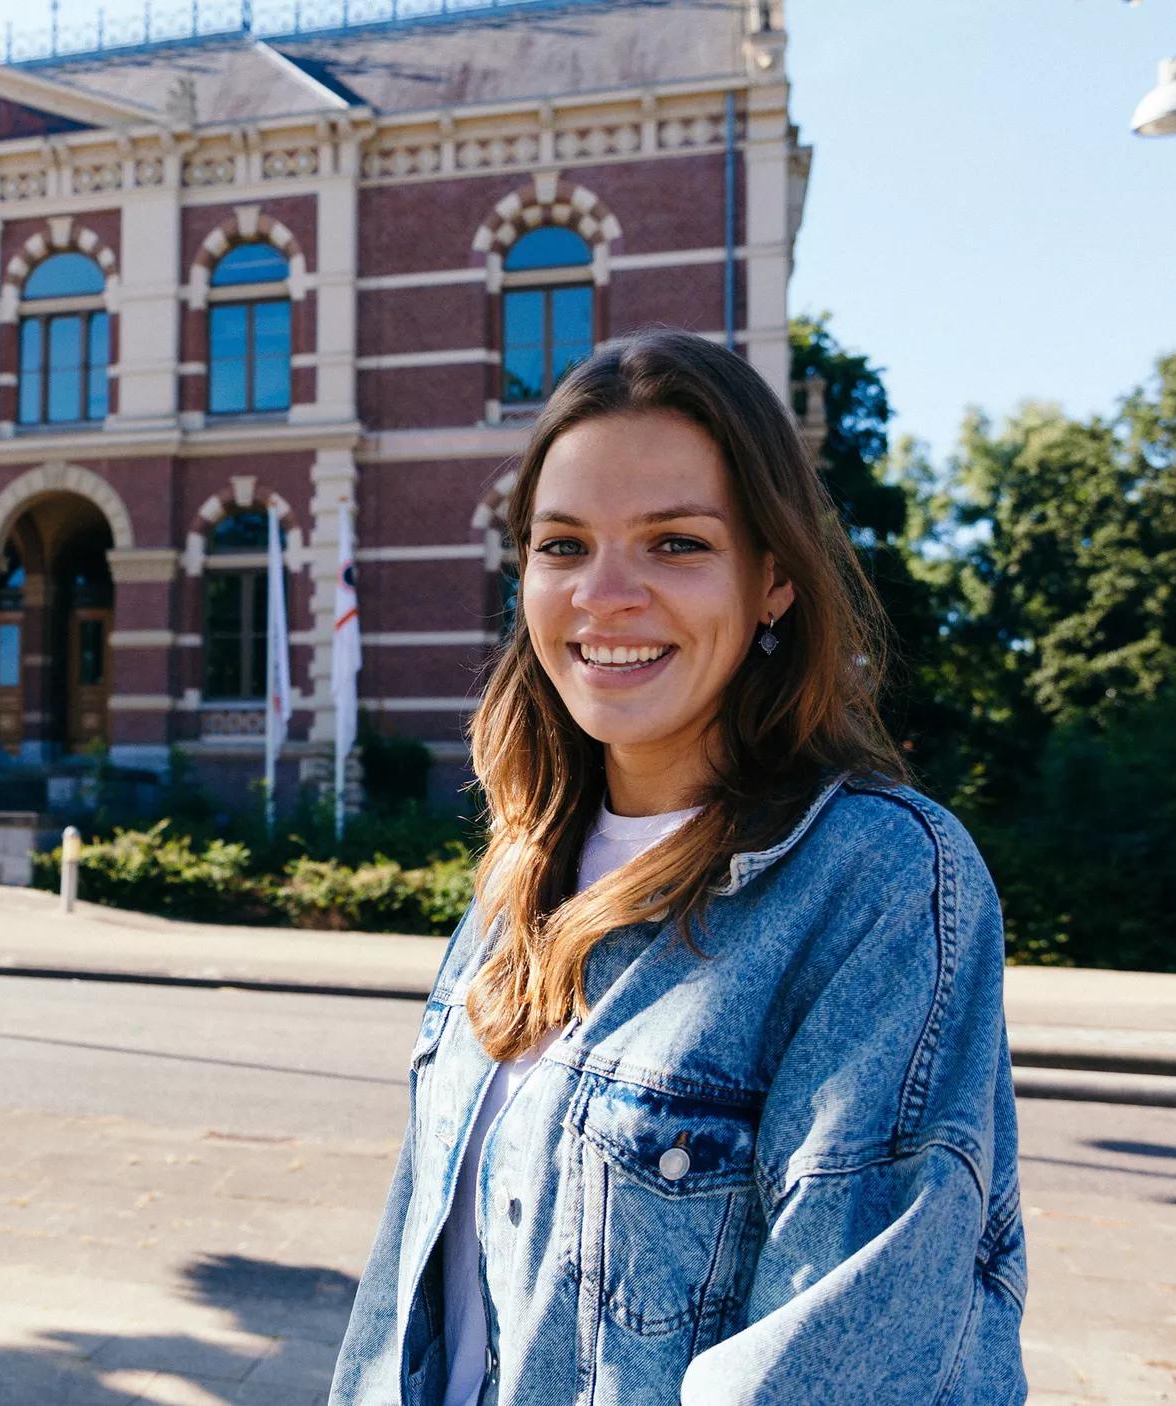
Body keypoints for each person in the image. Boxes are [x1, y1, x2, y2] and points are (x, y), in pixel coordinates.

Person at [327, 329, 1026, 1405]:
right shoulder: (524, 868)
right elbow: (401, 1310)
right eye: (563, 545)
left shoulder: (882, 883)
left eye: (675, 543)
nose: (604, 594)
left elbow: (831, 1364)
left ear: (774, 579)